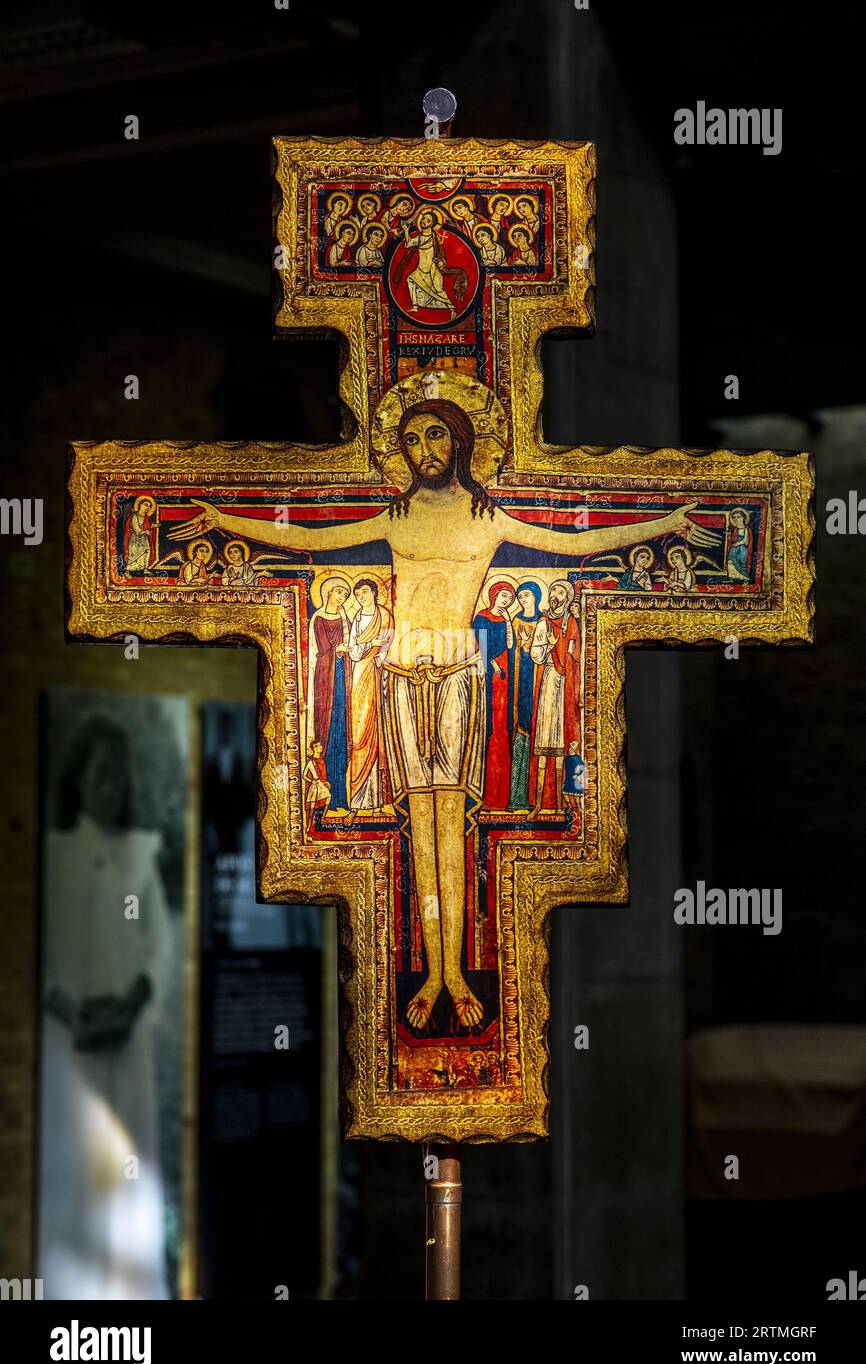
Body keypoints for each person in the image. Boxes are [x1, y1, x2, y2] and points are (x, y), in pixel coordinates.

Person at [171, 394, 719, 1032]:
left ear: (459, 441)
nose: (423, 451)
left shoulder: (489, 520)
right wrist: (226, 519)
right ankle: (432, 972)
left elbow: (576, 542)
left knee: (450, 828)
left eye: (434, 436)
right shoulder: (394, 518)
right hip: (400, 675)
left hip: (458, 676)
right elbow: (308, 538)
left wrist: (665, 523)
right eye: (410, 442)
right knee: (421, 827)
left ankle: (452, 973)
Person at [39, 715, 171, 1299]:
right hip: (70, 1045)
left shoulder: (139, 858)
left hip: (128, 1039)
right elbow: (35, 950)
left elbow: (158, 946)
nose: (112, 788)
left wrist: (132, 1000)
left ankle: (133, 1303)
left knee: (131, 1171)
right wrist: (73, 1012)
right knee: (74, 1172)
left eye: (120, 776)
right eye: (101, 775)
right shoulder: (53, 855)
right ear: (79, 781)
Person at [530, 579, 581, 815]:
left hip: (565, 684)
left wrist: (559, 649)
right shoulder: (544, 623)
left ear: (567, 597)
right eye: (553, 591)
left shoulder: (571, 623)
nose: (555, 596)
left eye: (560, 592)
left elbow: (574, 656)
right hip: (548, 680)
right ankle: (540, 803)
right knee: (543, 741)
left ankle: (561, 804)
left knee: (561, 743)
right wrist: (550, 647)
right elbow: (536, 655)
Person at [346, 578, 393, 812]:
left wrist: (380, 655)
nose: (361, 596)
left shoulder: (384, 616)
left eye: (364, 592)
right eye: (357, 593)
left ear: (374, 592)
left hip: (379, 671)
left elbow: (391, 643)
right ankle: (358, 796)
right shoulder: (357, 619)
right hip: (361, 672)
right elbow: (353, 651)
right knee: (360, 727)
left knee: (380, 727)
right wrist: (368, 644)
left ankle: (380, 799)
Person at [307, 576, 352, 812]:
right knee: (328, 733)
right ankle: (327, 799)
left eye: (345, 595)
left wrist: (346, 652)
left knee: (341, 737)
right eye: (338, 593)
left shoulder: (346, 620)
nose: (341, 598)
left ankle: (341, 798)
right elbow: (323, 648)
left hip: (342, 678)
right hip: (326, 678)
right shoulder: (319, 618)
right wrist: (338, 650)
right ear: (328, 594)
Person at [472, 580, 516, 808]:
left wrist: (508, 622)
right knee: (489, 725)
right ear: (494, 596)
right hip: (489, 675)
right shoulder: (482, 617)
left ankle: (502, 796)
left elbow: (510, 646)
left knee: (503, 725)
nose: (506, 601)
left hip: (505, 676)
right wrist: (493, 665)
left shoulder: (507, 619)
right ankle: (486, 794)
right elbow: (478, 647)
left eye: (510, 598)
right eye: (503, 596)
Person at [508, 581, 543, 810]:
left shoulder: (543, 621)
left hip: (538, 682)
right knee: (520, 733)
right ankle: (517, 797)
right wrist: (520, 644)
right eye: (520, 597)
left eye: (526, 595)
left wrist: (529, 644)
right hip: (520, 683)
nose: (522, 600)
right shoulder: (516, 620)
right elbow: (511, 651)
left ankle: (534, 797)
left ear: (537, 597)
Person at [303, 740, 331, 832]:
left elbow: (323, 774)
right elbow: (304, 775)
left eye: (320, 746)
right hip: (315, 785)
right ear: (314, 748)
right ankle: (308, 826)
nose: (321, 747)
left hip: (321, 784)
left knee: (329, 797)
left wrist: (326, 782)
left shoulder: (321, 759)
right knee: (312, 807)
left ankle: (323, 818)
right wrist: (311, 781)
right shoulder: (311, 762)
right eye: (318, 746)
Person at [124, 495, 157, 573]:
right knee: (134, 554)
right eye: (146, 505)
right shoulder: (134, 516)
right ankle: (127, 571)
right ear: (139, 505)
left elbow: (146, 527)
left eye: (149, 506)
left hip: (144, 538)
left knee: (146, 551)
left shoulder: (145, 517)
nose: (148, 508)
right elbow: (136, 529)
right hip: (135, 538)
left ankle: (145, 569)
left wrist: (153, 526)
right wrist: (145, 532)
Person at [727, 508, 751, 580]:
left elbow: (746, 541)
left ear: (743, 518)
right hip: (734, 548)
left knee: (742, 563)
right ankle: (731, 578)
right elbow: (732, 540)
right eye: (734, 517)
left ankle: (745, 579)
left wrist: (738, 543)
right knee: (731, 561)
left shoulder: (745, 529)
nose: (736, 519)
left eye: (738, 517)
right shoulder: (735, 529)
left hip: (742, 549)